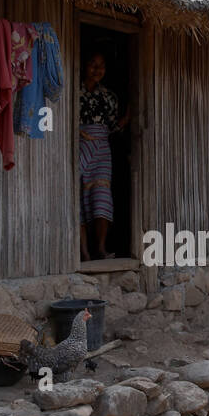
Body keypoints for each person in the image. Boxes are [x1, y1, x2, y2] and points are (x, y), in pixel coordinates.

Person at [79, 52, 129, 262]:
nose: (97, 70)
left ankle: (100, 248)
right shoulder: (74, 92)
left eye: (102, 66)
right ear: (84, 65)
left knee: (101, 196)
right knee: (77, 199)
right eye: (93, 64)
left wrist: (125, 120)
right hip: (78, 146)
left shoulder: (109, 97)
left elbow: (112, 128)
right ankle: (83, 252)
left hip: (101, 149)